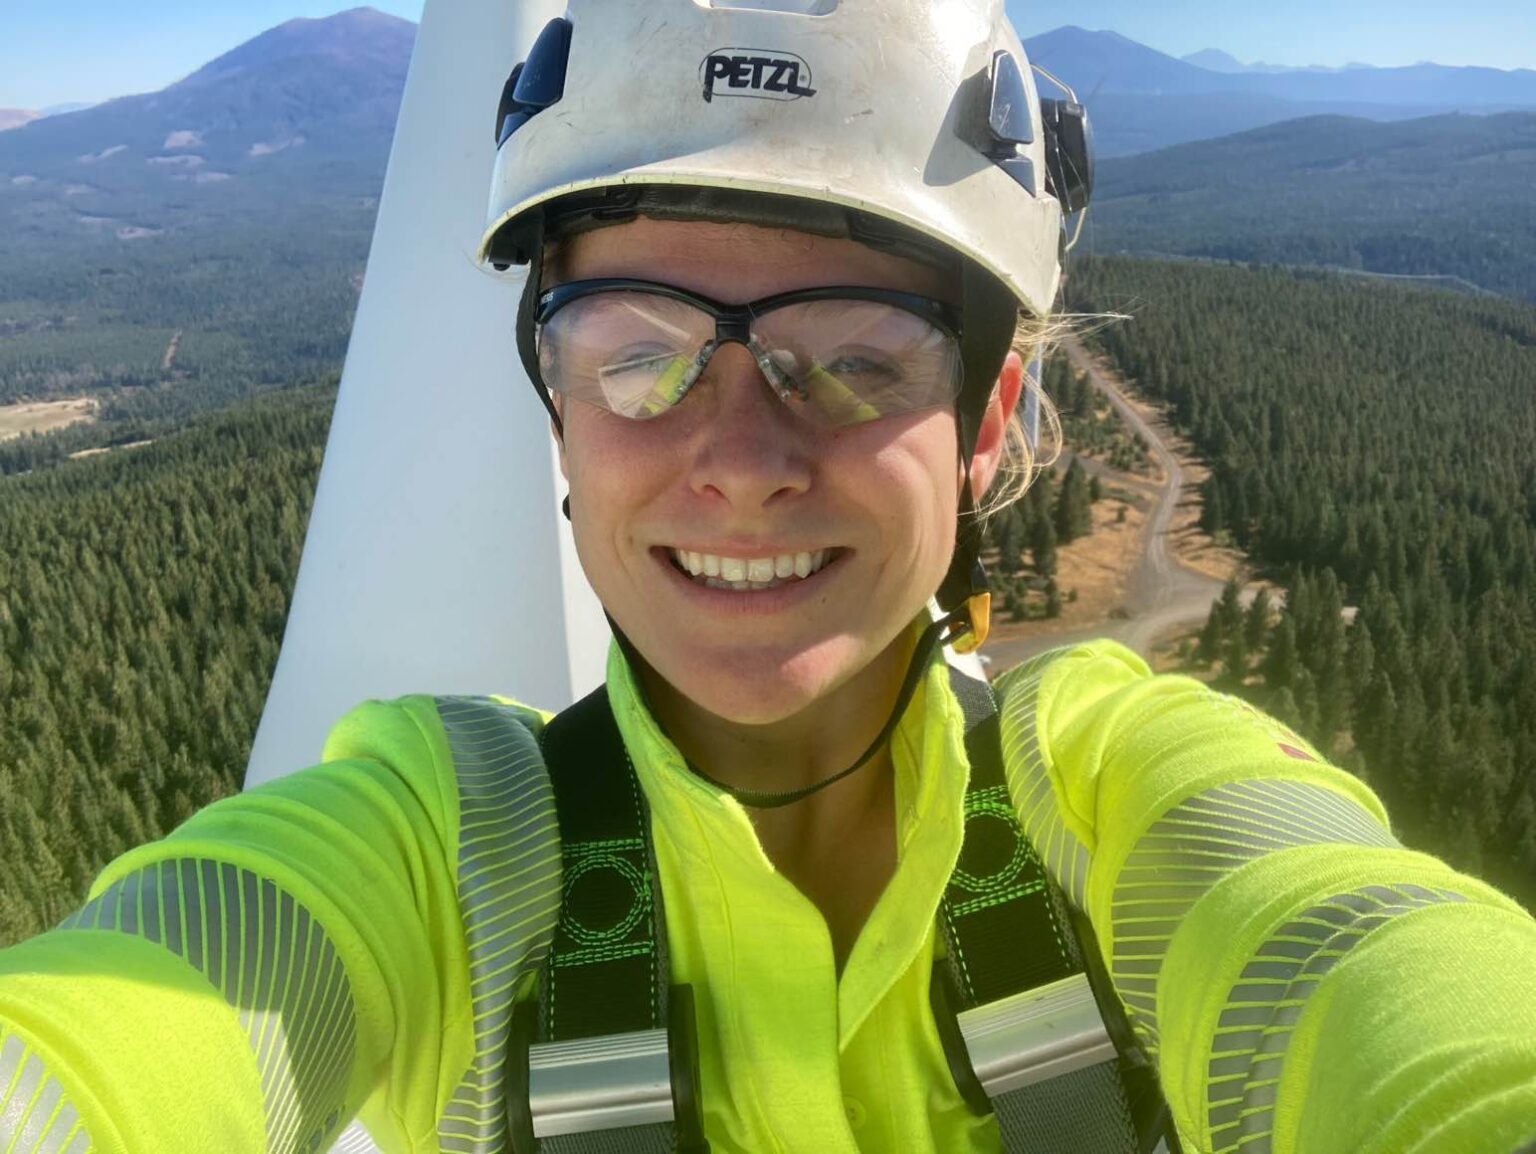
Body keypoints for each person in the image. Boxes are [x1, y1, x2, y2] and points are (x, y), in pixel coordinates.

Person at [3, 1, 1536, 1152]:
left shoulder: (1118, 799)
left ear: (984, 421)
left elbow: (1382, 982)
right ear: (559, 405)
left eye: (855, 357)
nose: (741, 459)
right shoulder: (436, 844)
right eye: (640, 353)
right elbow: (111, 1040)